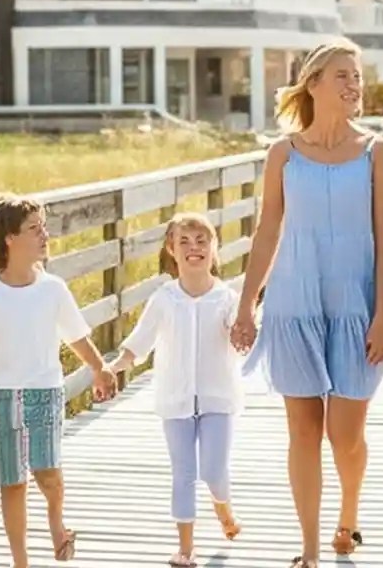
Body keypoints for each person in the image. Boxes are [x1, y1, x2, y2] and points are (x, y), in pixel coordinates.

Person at [230, 38, 383, 568]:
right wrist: (247, 304)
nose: (353, 85)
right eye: (342, 75)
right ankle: (310, 548)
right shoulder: (283, 154)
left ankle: (350, 512)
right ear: (313, 82)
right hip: (294, 308)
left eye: (358, 76)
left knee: (345, 435)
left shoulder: (375, 152)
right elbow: (267, 230)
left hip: (356, 309)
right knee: (302, 431)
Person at [0, 193, 118, 568]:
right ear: (9, 238)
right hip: (0, 397)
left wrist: (99, 368)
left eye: (43, 227)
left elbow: (76, 336)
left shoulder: (52, 288)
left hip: (43, 393)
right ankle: (19, 560)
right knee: (13, 482)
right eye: (34, 229)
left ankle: (56, 522)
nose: (44, 234)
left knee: (48, 473)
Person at [106, 212, 245, 566]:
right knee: (183, 472)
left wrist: (245, 332)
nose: (193, 248)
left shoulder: (227, 298)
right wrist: (112, 368)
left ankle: (223, 507)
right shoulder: (164, 298)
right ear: (172, 250)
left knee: (213, 471)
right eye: (184, 242)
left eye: (201, 241)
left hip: (218, 398)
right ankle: (185, 548)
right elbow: (138, 345)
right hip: (175, 400)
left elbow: (242, 335)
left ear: (214, 250)